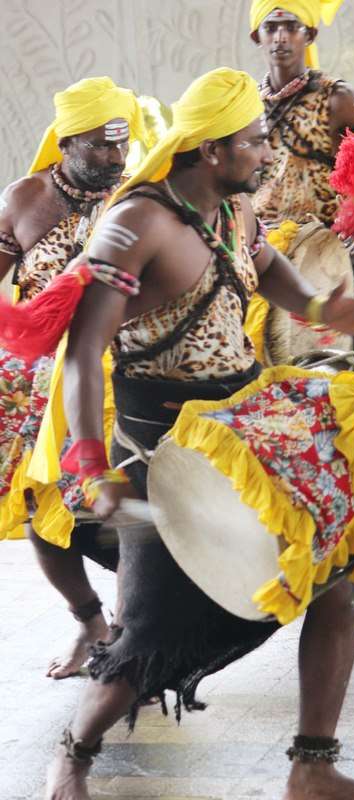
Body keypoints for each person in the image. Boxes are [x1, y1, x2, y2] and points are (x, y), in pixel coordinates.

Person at [41, 67, 354, 800]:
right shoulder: (135, 224)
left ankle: (311, 768)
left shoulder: (235, 210)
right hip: (161, 449)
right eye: (253, 142)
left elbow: (265, 264)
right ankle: (73, 754)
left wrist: (323, 308)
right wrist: (90, 457)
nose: (266, 154)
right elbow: (85, 350)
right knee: (146, 641)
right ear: (210, 150)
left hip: (242, 431)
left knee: (334, 578)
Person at [0, 76, 145, 678]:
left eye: (123, 145)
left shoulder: (140, 199)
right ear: (65, 142)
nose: (116, 159)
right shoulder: (24, 200)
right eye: (101, 147)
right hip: (35, 381)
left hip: (123, 363)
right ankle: (90, 621)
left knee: (126, 499)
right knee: (42, 509)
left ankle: (135, 627)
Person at [245, 0, 354, 362]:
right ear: (257, 36)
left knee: (324, 365)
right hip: (258, 247)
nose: (281, 37)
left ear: (310, 34)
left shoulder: (338, 98)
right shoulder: (248, 105)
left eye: (291, 27)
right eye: (272, 28)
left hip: (320, 247)